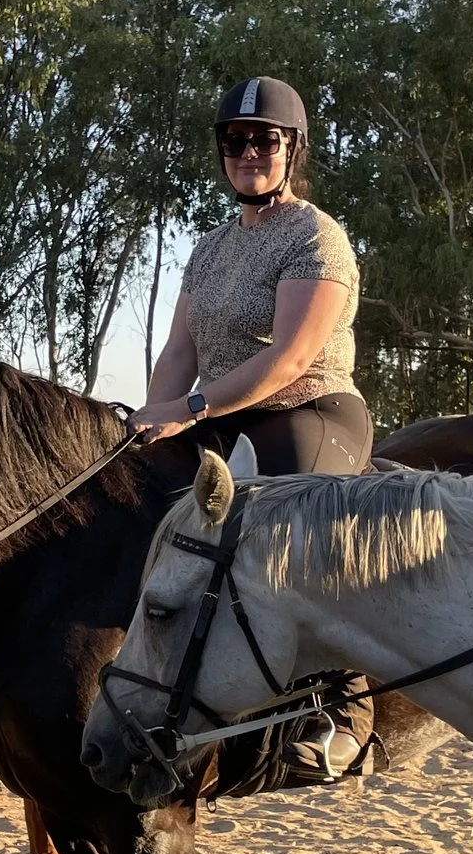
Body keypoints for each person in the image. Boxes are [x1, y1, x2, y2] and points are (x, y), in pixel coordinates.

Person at [132, 75, 372, 780]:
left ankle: (344, 708)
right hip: (222, 416)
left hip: (309, 409)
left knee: (292, 524)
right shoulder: (208, 248)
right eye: (235, 141)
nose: (249, 153)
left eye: (264, 140)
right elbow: (180, 352)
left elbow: (290, 354)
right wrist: (155, 419)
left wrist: (192, 409)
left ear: (291, 150)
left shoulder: (317, 237)